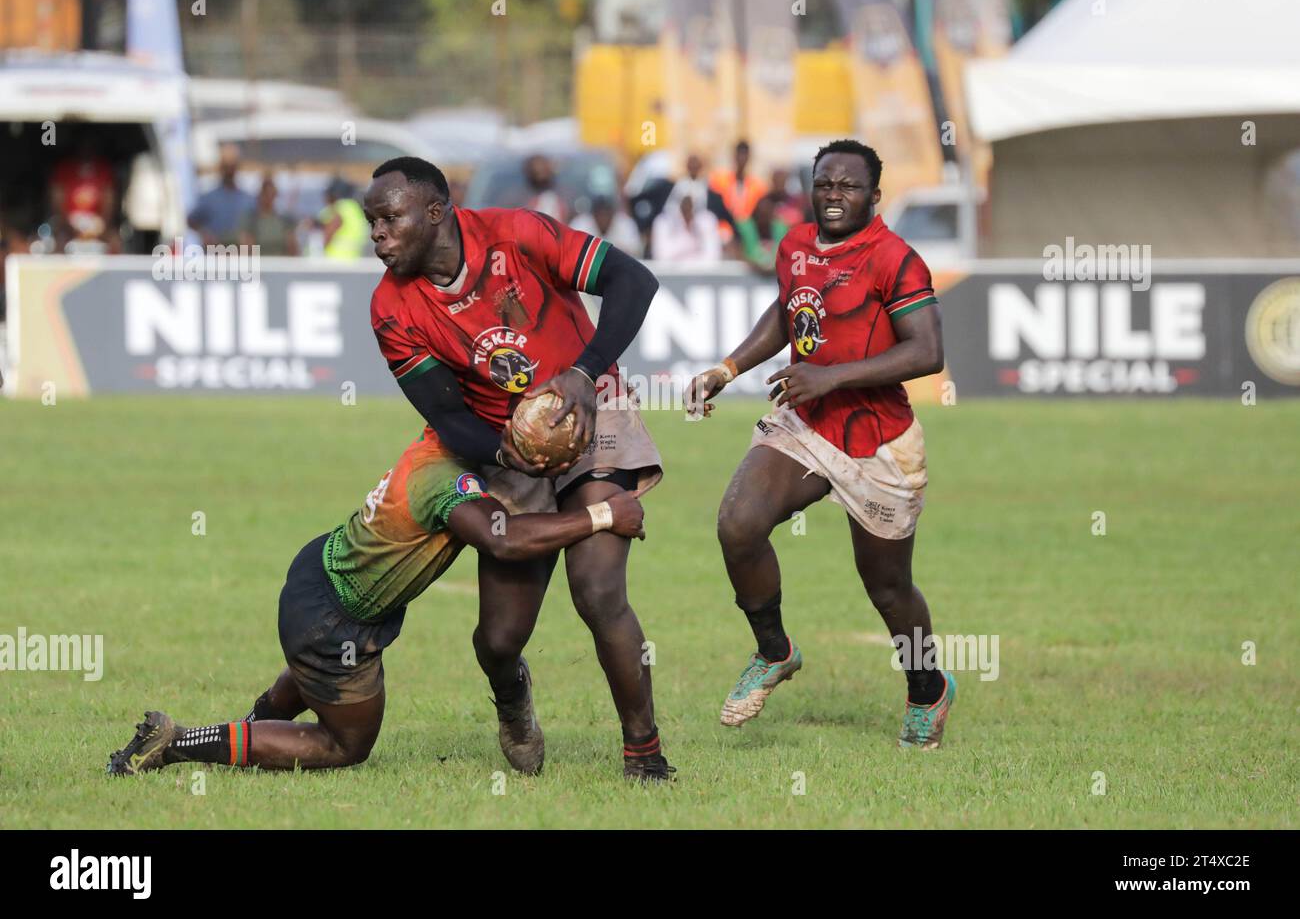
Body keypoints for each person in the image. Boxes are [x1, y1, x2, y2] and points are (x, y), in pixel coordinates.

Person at [363, 156, 674, 781]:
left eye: (389, 219)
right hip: (500, 443)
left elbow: (634, 281)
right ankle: (513, 700)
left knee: (598, 590)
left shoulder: (518, 233)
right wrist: (512, 451)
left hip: (594, 411)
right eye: (372, 222)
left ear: (435, 213)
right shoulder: (391, 308)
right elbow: (446, 415)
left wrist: (584, 374)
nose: (377, 235)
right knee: (499, 640)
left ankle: (643, 752)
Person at [107, 431, 645, 776]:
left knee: (315, 676)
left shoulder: (436, 446)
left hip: (322, 578)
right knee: (345, 744)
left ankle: (252, 726)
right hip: (332, 617)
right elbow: (502, 538)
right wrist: (601, 518)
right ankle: (177, 743)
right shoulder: (445, 480)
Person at [685, 139, 956, 749]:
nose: (835, 195)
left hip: (879, 443)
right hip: (805, 422)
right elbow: (787, 315)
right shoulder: (796, 245)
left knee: (887, 588)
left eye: (849, 186)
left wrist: (829, 375)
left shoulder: (895, 258)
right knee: (738, 522)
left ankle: (926, 688)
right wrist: (727, 369)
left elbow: (926, 351)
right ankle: (773, 651)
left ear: (874, 196)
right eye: (825, 184)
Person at [189, 144, 256, 247]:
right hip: (215, 257)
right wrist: (204, 234)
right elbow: (191, 220)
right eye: (226, 167)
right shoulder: (209, 198)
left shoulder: (248, 200)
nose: (229, 171)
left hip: (241, 258)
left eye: (232, 166)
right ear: (221, 167)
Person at [650, 181, 722, 263]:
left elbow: (712, 257)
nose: (688, 207)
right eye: (684, 202)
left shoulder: (707, 221)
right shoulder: (663, 222)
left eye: (692, 203)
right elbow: (661, 256)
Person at [709, 139, 766, 225]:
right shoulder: (720, 181)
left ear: (748, 157)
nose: (741, 158)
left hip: (748, 227)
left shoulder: (757, 186)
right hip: (725, 226)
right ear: (734, 156)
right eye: (739, 154)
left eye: (744, 155)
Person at [240, 176, 298, 256]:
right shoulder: (251, 221)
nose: (268, 198)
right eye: (265, 194)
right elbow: (246, 248)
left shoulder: (284, 220)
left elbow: (292, 247)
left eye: (271, 194)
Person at [570, 195, 642, 257]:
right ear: (593, 214)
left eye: (606, 214)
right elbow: (571, 253)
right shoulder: (580, 224)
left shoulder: (625, 223)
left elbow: (636, 252)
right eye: (600, 214)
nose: (603, 218)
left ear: (612, 213)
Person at [734, 193, 790, 274]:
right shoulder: (744, 228)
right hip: (748, 275)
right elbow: (737, 254)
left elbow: (788, 255)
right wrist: (755, 266)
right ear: (755, 214)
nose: (763, 219)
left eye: (766, 215)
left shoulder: (781, 229)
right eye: (761, 215)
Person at [318, 177, 370, 259]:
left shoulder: (341, 207)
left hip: (335, 259)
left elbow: (329, 233)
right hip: (352, 259)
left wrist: (319, 252)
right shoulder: (355, 208)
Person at [522, 154, 566, 221]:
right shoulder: (516, 197)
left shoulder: (566, 194)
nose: (539, 171)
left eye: (543, 170)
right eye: (536, 172)